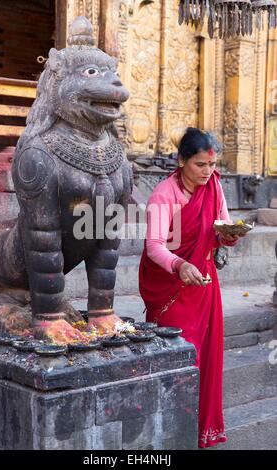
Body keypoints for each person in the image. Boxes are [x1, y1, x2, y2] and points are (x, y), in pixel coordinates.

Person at [139, 127, 247, 449]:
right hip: (171, 286)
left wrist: (229, 235)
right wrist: (180, 265)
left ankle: (200, 432)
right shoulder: (164, 194)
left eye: (212, 165)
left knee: (205, 362)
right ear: (182, 160)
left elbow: (221, 224)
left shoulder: (214, 186)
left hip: (204, 284)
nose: (208, 172)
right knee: (182, 360)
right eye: (201, 164)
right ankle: (171, 434)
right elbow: (154, 246)